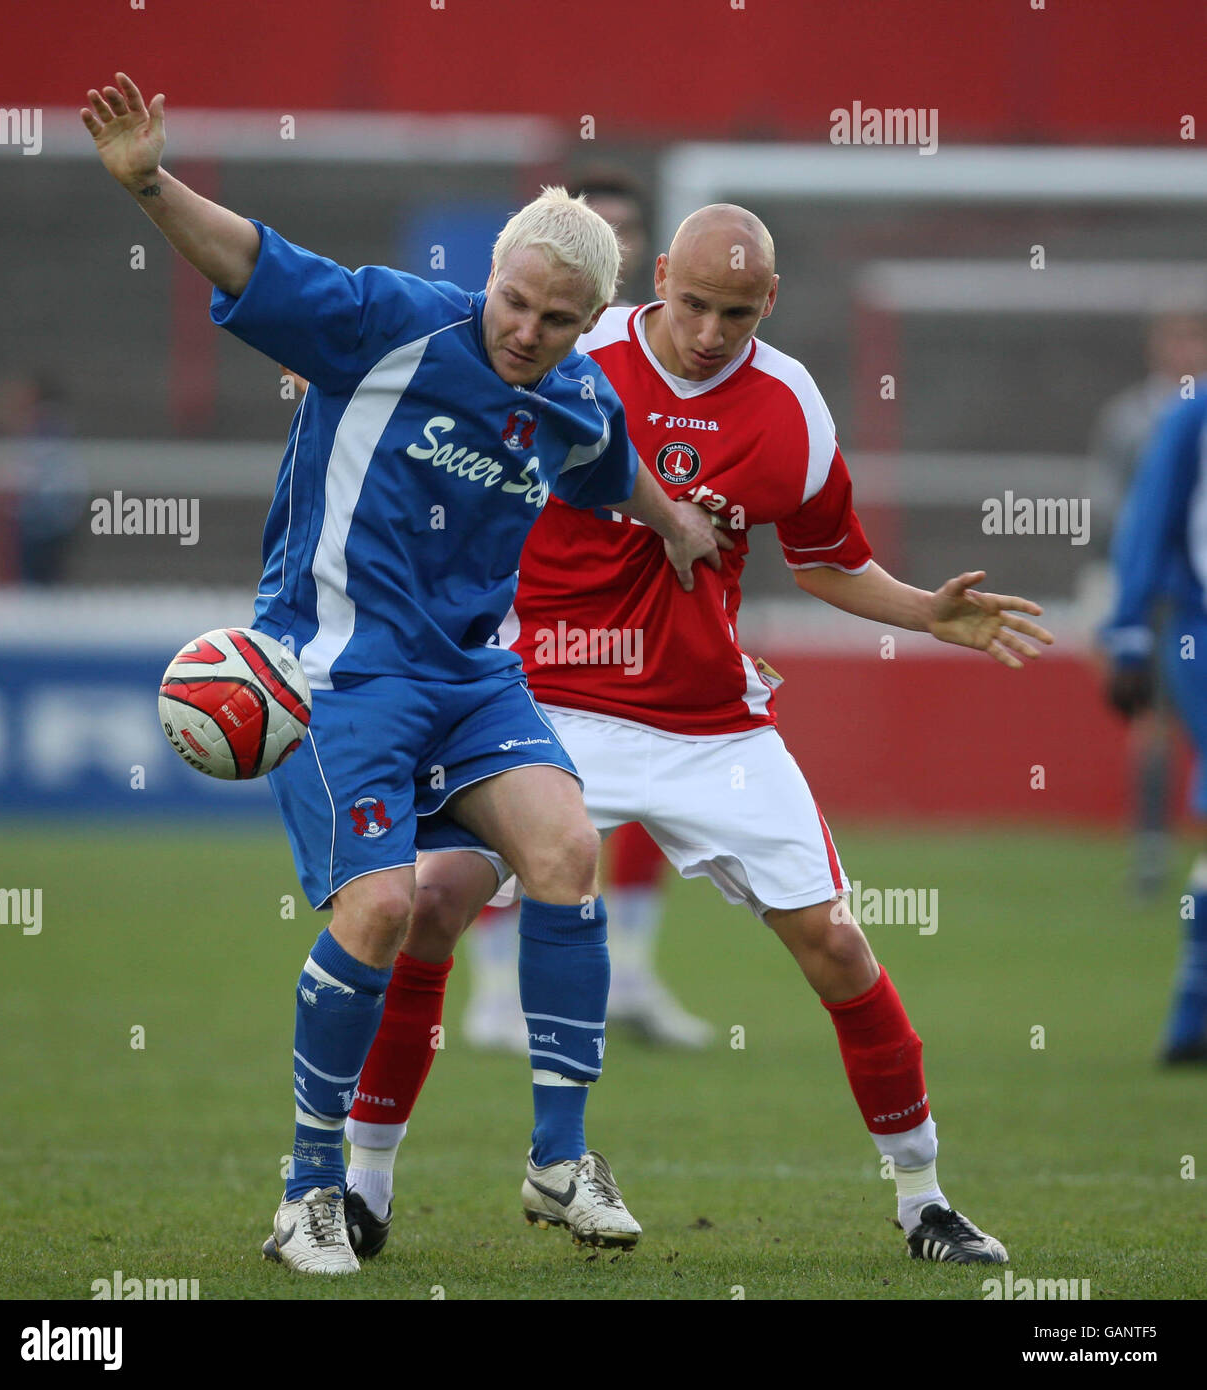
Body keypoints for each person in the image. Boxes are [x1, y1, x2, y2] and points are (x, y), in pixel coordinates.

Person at [80, 72, 724, 1271]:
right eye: (515, 302)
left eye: (556, 319)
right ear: (491, 275)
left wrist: (673, 520)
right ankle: (308, 1192)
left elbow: (608, 465)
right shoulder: (388, 322)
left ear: (590, 324)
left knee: (567, 852)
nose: (525, 331)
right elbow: (255, 262)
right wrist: (153, 184)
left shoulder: (575, 398)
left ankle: (559, 1158)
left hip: (475, 676)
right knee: (380, 907)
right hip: (336, 671)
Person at [343, 203, 1054, 1264]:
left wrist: (923, 611)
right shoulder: (577, 351)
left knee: (838, 945)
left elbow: (821, 555)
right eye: (691, 304)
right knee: (433, 906)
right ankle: (362, 1188)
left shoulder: (792, 406)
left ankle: (925, 1201)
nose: (711, 332)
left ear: (768, 302)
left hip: (708, 723)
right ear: (658, 277)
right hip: (542, 703)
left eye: (735, 312)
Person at [463, 165, 712, 1052]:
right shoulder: (519, 348)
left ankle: (633, 977)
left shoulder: (680, 357)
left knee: (648, 794)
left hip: (648, 603)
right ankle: (494, 992)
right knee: (511, 790)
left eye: (621, 232)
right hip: (539, 604)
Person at [1099, 386, 1207, 1064]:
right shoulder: (1192, 418)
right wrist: (1130, 629)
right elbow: (1150, 520)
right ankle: (1190, 1017)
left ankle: (1192, 1016)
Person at [1090, 313, 1207, 898]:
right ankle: (1152, 852)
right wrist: (1128, 617)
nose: (1183, 349)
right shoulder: (1140, 418)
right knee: (1149, 721)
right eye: (1175, 337)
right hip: (1159, 593)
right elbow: (1123, 505)